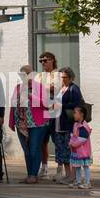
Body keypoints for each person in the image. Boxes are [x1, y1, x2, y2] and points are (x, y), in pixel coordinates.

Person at [8, 64, 49, 184]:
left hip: (37, 124)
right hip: (21, 124)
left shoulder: (40, 87)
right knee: (26, 150)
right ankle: (29, 174)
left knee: (34, 149)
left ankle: (33, 175)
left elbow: (46, 104)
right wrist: (11, 121)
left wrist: (31, 96)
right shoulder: (18, 88)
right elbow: (13, 105)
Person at [53, 67, 84, 185]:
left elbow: (77, 104)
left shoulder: (74, 89)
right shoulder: (61, 88)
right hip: (59, 124)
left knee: (70, 151)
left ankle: (73, 176)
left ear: (71, 77)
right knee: (62, 151)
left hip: (68, 125)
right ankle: (67, 175)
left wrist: (62, 105)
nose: (62, 79)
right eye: (61, 77)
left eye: (65, 77)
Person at [36, 51, 59, 179]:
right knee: (42, 141)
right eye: (41, 61)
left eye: (45, 60)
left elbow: (56, 88)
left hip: (55, 111)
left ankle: (60, 168)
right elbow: (35, 89)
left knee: (57, 141)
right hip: (42, 112)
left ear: (52, 60)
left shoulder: (58, 74)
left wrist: (43, 88)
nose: (43, 63)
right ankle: (44, 168)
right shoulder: (39, 75)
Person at [68, 104, 92, 189]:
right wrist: (71, 142)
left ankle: (87, 182)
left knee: (85, 166)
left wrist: (73, 144)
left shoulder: (83, 126)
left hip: (83, 151)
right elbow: (72, 135)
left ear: (81, 114)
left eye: (75, 113)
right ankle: (78, 182)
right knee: (77, 166)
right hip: (76, 150)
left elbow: (82, 139)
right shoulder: (75, 125)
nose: (73, 114)